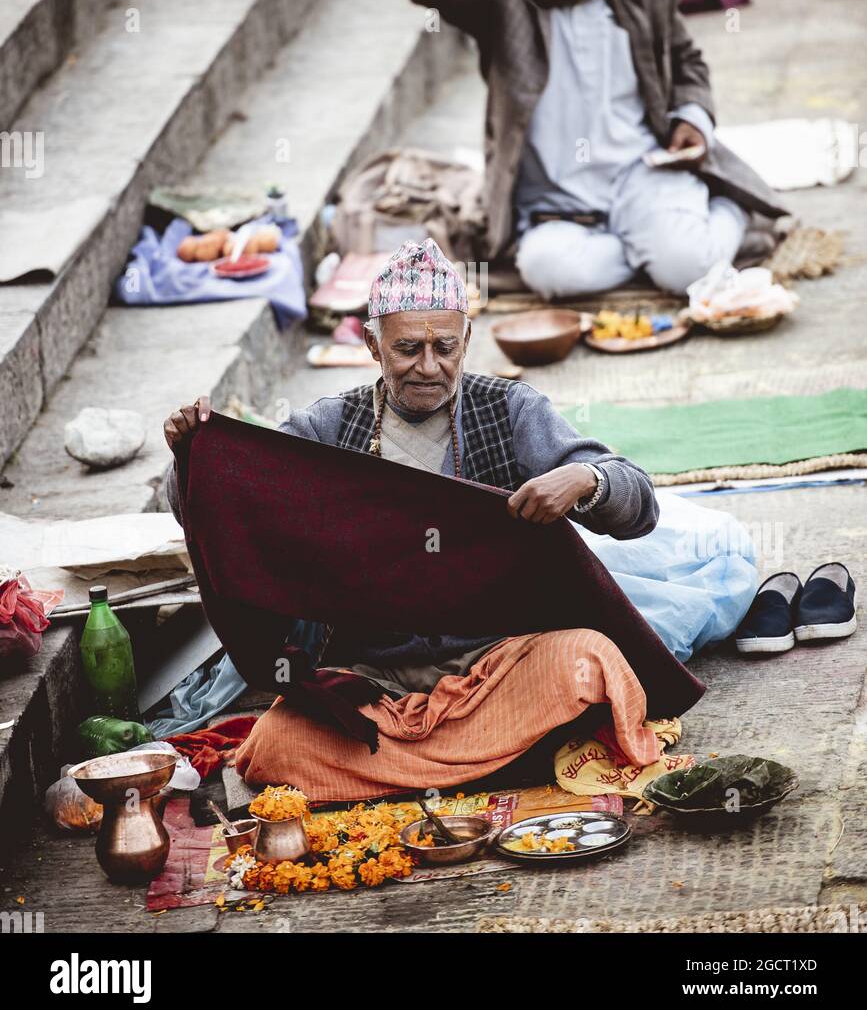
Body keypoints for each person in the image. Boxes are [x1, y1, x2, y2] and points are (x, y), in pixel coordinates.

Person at [162, 240, 756, 796]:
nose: (428, 366)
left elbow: (639, 505)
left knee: (591, 662)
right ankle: (506, 760)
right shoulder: (328, 430)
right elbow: (225, 511)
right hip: (378, 682)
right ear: (372, 347)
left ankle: (419, 770)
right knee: (275, 746)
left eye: (445, 347)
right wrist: (192, 457)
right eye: (406, 349)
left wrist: (586, 481)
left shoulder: (510, 409)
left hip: (500, 665)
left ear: (466, 340)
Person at [349, 0, 788, 300]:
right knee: (550, 274)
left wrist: (692, 119)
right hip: (556, 198)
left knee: (688, 271)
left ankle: (721, 217)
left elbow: (687, 62)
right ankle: (655, 248)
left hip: (643, 174)